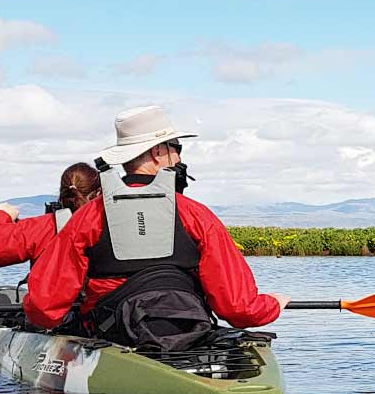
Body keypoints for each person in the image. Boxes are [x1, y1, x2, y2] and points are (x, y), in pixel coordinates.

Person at [24, 106, 289, 351]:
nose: (180, 155)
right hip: (186, 333)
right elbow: (237, 308)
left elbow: (44, 308)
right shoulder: (196, 214)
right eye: (177, 147)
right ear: (158, 152)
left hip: (113, 337)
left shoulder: (87, 218)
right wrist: (272, 305)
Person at [0, 163, 101, 269]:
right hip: (112, 298)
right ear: (99, 192)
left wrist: (2, 215)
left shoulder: (42, 227)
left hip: (60, 299)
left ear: (62, 192)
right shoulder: (114, 224)